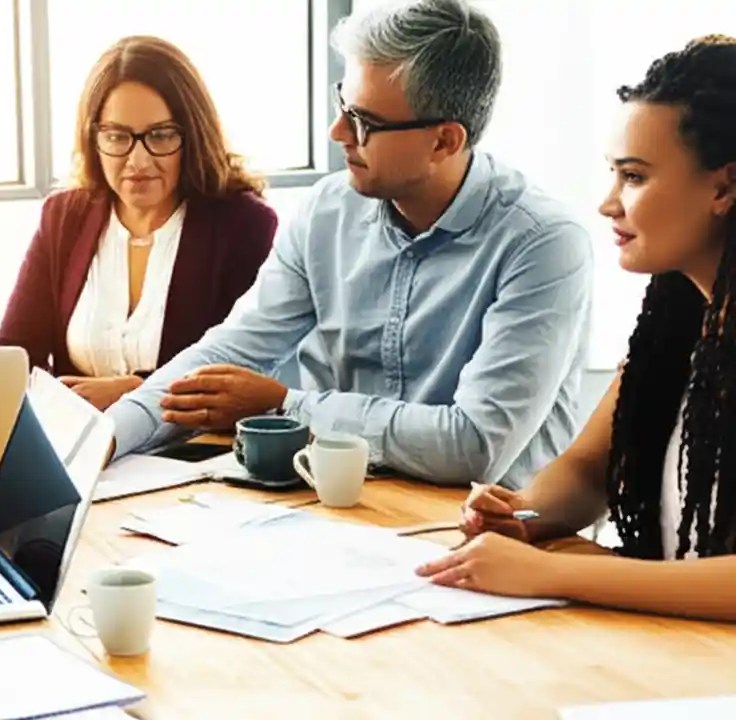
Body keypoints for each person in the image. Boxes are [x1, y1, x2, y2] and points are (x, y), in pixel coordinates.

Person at [106, 0, 593, 489]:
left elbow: (472, 445)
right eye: (344, 104)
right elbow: (230, 352)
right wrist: (105, 438)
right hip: (344, 509)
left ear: (444, 141)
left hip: (493, 536)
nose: (337, 133)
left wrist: (285, 403)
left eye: (364, 122)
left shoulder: (543, 245)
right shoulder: (327, 212)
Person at [417, 36, 736, 621]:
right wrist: (527, 515)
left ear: (723, 187)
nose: (608, 203)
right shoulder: (680, 319)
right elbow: (589, 468)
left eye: (634, 177)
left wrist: (552, 570)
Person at [0, 35, 277, 412]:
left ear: (191, 135)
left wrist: (136, 390)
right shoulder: (64, 217)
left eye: (160, 136)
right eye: (117, 136)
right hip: (77, 448)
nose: (138, 161)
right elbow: (15, 356)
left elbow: (249, 372)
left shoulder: (244, 226)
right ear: (93, 138)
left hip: (189, 451)